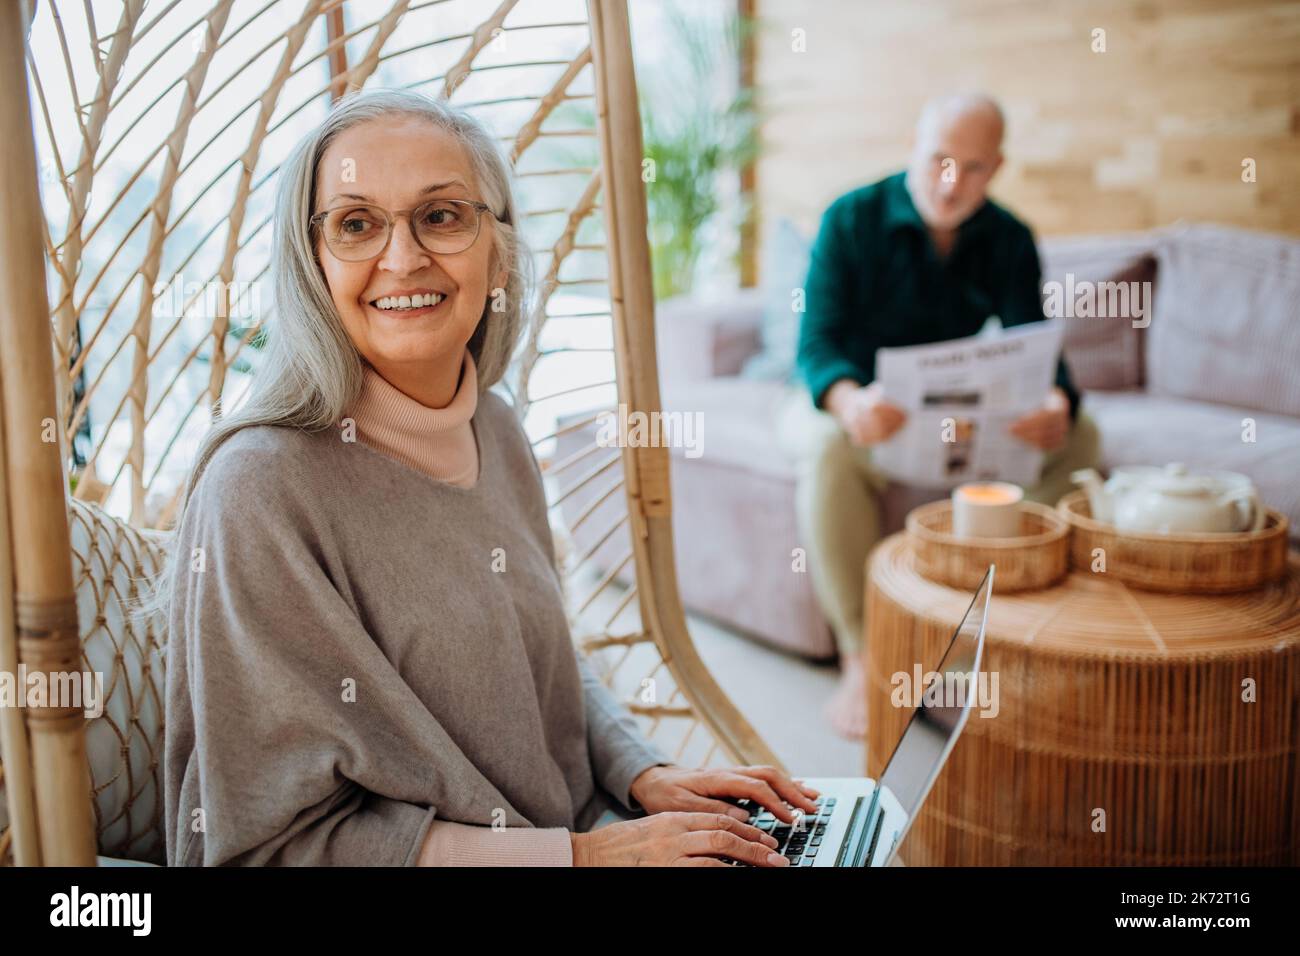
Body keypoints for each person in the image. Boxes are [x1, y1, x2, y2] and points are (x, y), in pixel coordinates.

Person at [151, 89, 818, 867]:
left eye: (441, 216)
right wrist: (584, 860)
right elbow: (265, 846)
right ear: (313, 261)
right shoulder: (259, 491)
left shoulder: (494, 427)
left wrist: (644, 773)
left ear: (497, 250)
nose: (402, 259)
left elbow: (550, 668)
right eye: (356, 224)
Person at [775, 93, 1100, 740]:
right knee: (827, 450)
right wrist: (850, 401)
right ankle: (862, 658)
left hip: (952, 411)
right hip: (856, 406)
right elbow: (815, 347)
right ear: (913, 147)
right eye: (939, 160)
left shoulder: (1009, 237)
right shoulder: (850, 219)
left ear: (998, 167)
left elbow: (1035, 347)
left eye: (973, 168)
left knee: (1083, 436)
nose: (951, 184)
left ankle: (971, 628)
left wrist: (1057, 401)